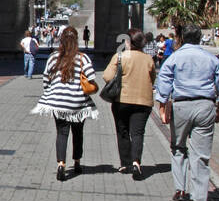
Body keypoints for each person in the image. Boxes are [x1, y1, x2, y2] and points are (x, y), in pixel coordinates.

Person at [156, 23, 219, 201]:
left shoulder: (175, 57)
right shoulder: (211, 59)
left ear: (182, 38)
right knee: (201, 154)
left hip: (182, 105)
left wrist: (162, 104)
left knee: (178, 147)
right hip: (205, 105)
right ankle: (198, 198)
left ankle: (180, 189)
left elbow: (164, 80)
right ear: (198, 39)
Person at [31, 24, 98, 180]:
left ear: (61, 40)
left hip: (58, 103)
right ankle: (77, 162)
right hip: (77, 104)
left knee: (61, 133)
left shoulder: (54, 57)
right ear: (76, 40)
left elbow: (46, 79)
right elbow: (92, 78)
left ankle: (61, 164)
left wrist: (49, 93)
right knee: (78, 133)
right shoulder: (83, 58)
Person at [101, 29, 156, 179]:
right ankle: (136, 162)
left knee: (122, 130)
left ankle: (125, 163)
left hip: (122, 100)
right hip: (143, 101)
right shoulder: (148, 59)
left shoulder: (120, 56)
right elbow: (153, 78)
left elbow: (106, 76)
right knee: (138, 133)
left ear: (128, 42)